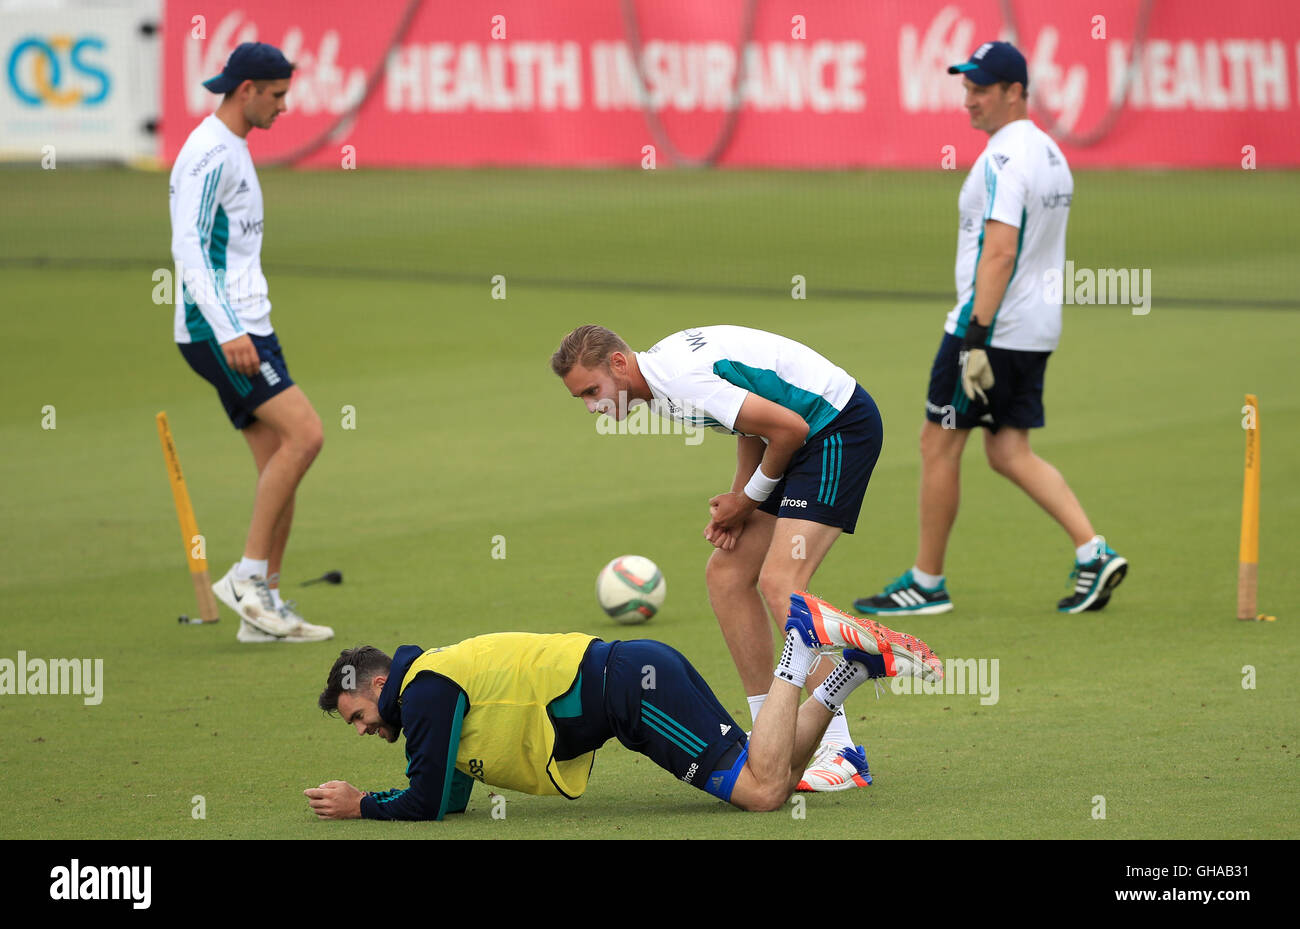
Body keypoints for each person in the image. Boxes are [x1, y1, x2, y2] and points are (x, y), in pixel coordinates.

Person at [855, 41, 1127, 619]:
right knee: (1007, 449)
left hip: (989, 328)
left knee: (938, 442)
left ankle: (927, 582)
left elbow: (1000, 251)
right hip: (1034, 328)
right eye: (967, 89)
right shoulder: (1050, 153)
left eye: (981, 89)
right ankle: (1093, 551)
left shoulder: (1005, 157)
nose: (970, 100)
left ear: (1015, 92)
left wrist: (974, 338)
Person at [551, 325, 883, 792]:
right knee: (728, 574)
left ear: (619, 365)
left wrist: (746, 503)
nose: (593, 406)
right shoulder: (661, 381)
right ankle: (769, 734)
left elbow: (789, 428)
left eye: (592, 390)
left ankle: (842, 748)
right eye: (580, 399)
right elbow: (752, 425)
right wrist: (739, 497)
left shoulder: (678, 380)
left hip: (836, 430)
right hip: (796, 439)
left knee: (780, 582)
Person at [305, 592, 942, 820]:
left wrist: (362, 804)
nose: (365, 729)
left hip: (633, 692)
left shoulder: (422, 690)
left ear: (376, 682)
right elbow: (443, 795)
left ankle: (799, 647)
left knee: (762, 792)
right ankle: (848, 673)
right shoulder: (432, 687)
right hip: (637, 678)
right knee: (769, 770)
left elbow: (421, 803)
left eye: (358, 715)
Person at [169, 42, 331, 643]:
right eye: (278, 95)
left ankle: (262, 613)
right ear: (247, 91)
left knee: (278, 467)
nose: (285, 107)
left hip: (248, 323)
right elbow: (188, 248)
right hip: (223, 330)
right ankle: (248, 578)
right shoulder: (210, 153)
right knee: (308, 433)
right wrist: (229, 328)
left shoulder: (230, 146)